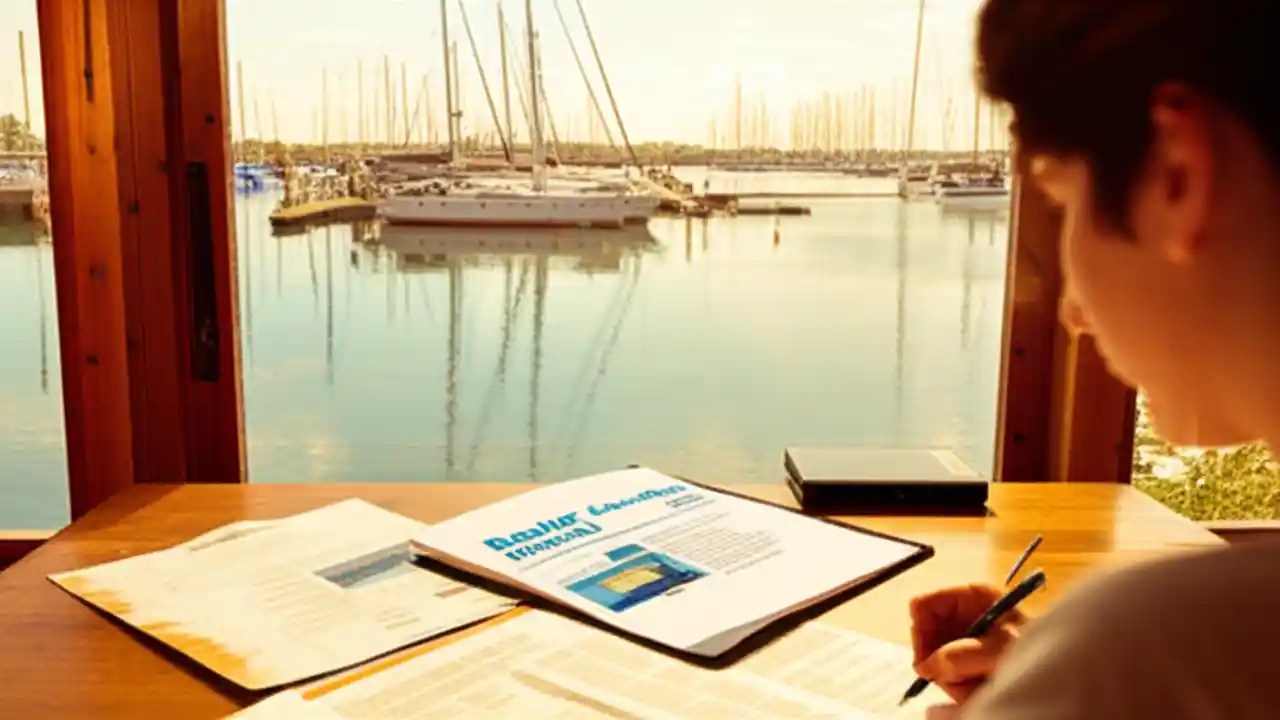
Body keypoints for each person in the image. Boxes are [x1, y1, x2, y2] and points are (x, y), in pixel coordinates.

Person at [909, 2, 1280, 718]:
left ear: (1177, 175)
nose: (1073, 312)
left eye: (1063, 200)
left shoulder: (1161, 657)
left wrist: (1092, 674)